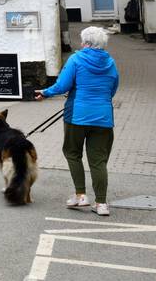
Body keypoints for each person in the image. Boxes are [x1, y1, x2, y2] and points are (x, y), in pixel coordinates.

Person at [34, 26, 119, 216]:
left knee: (73, 153)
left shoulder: (76, 59)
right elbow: (113, 88)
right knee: (98, 162)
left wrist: (45, 93)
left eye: (82, 41)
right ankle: (102, 203)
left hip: (77, 116)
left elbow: (62, 85)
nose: (80, 44)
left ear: (86, 43)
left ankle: (81, 195)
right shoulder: (111, 63)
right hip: (103, 118)